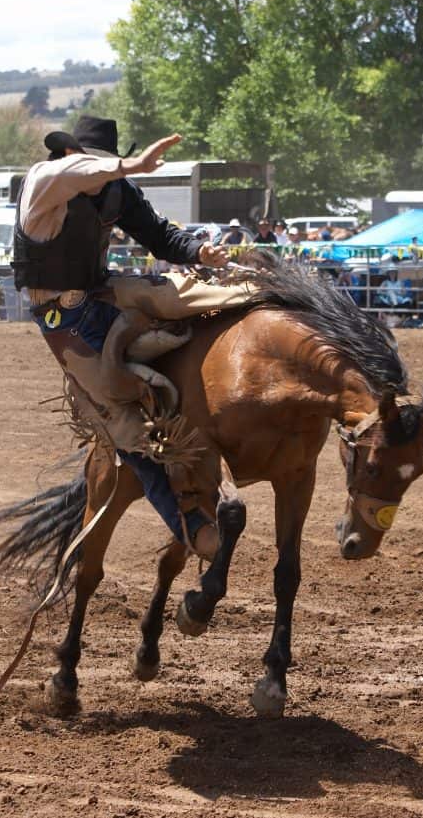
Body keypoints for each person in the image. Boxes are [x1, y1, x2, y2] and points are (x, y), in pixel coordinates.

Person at [13, 115, 254, 557]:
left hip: (103, 294)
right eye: (96, 163)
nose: (101, 172)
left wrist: (199, 251)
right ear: (71, 155)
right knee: (129, 432)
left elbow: (157, 233)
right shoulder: (44, 183)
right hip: (63, 320)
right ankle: (193, 526)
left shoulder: (115, 189)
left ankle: (266, 294)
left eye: (106, 165)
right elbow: (75, 172)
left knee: (191, 294)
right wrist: (129, 165)